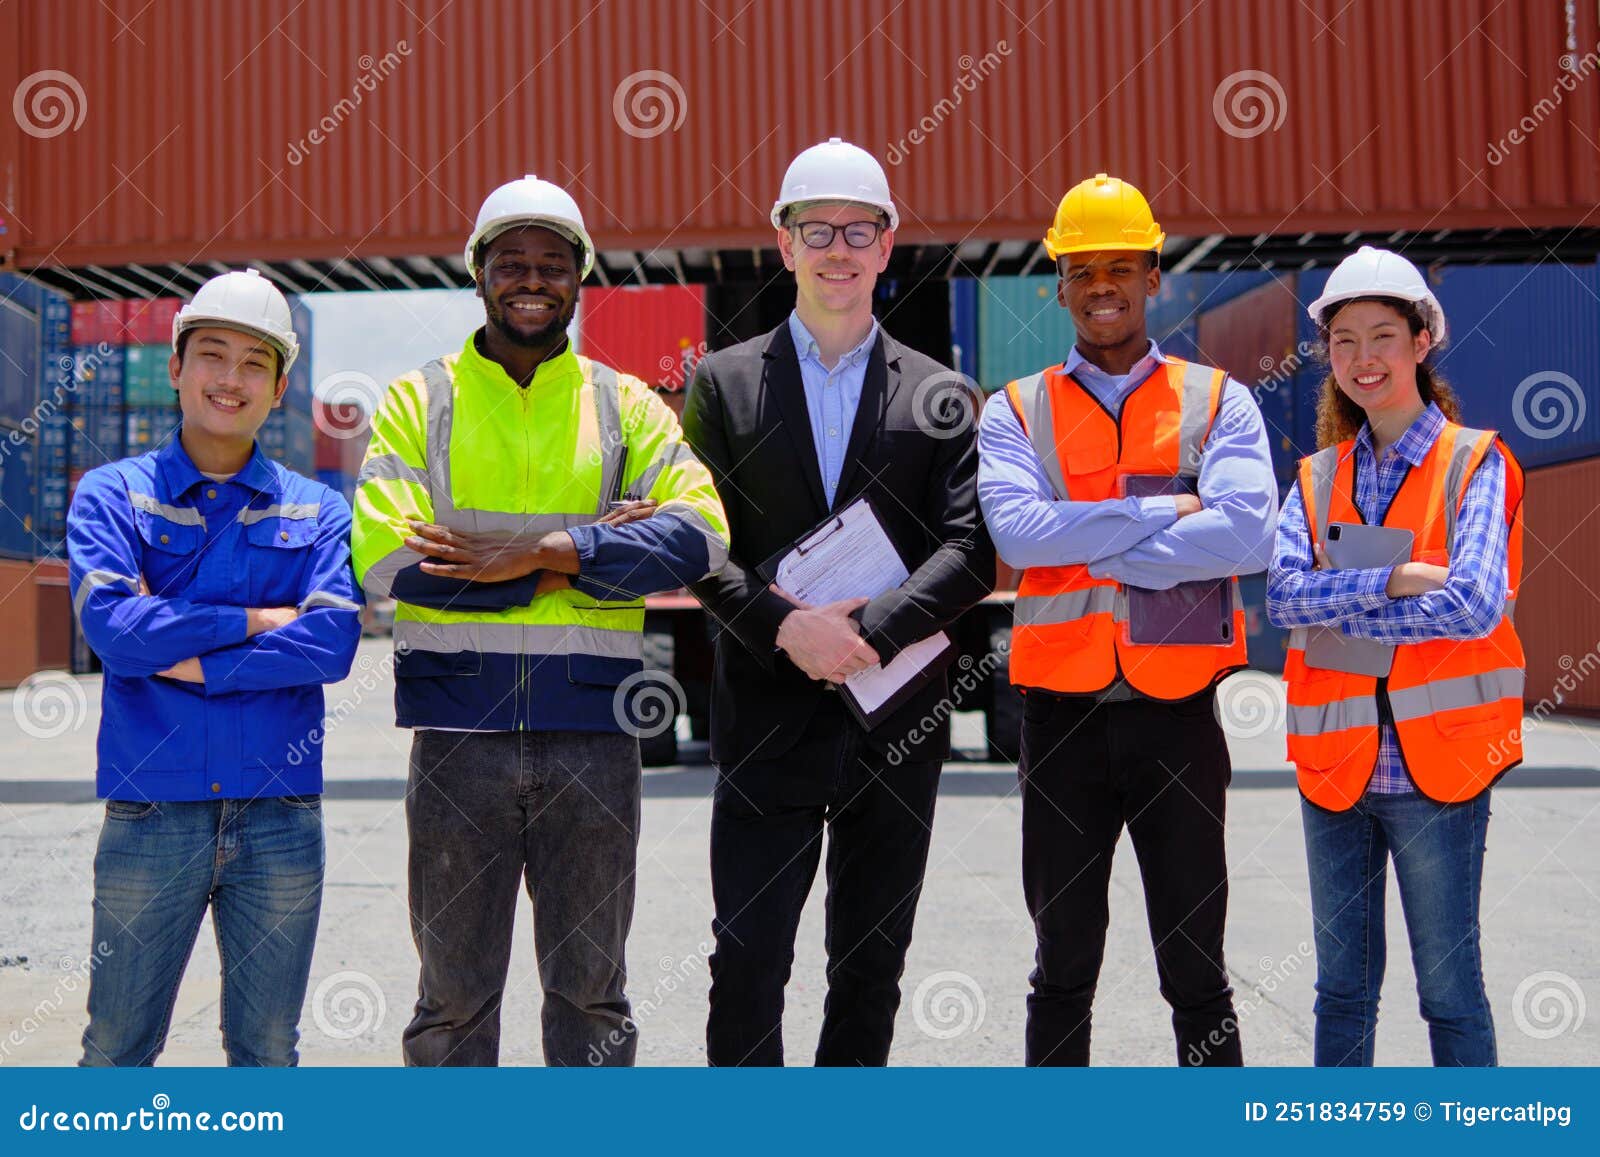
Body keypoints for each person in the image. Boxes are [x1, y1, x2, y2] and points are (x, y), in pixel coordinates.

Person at [351, 175, 729, 1067]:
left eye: (552, 265)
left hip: (594, 738)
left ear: (579, 277)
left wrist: (535, 550)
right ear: (479, 272)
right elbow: (390, 562)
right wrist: (598, 548)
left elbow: (701, 538)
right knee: (450, 1004)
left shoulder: (624, 403)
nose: (532, 279)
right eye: (511, 262)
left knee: (594, 999)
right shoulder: (418, 403)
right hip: (456, 741)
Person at [682, 137, 994, 1066]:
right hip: (766, 721)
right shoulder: (721, 383)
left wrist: (865, 632)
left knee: (870, 965)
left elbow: (973, 549)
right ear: (784, 243)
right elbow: (697, 545)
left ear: (888, 242)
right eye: (817, 229)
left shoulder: (942, 395)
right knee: (746, 958)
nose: (839, 248)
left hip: (895, 719)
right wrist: (789, 630)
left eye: (859, 229)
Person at [976, 174, 1279, 1066]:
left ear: (1155, 275)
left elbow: (1248, 534)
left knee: (1196, 968)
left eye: (1121, 265)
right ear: (1058, 283)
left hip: (1178, 714)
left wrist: (1087, 535)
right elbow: (1018, 536)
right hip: (1060, 721)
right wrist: (1167, 513)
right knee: (1061, 965)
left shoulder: (1216, 399)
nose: (1101, 283)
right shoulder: (1016, 409)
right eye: (1082, 268)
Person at [69, 269, 362, 1065]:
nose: (230, 379)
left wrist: (190, 660)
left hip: (279, 816)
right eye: (212, 355)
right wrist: (255, 621)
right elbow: (115, 632)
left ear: (278, 388)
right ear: (175, 366)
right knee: (117, 1047)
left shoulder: (319, 507)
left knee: (268, 1050)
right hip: (149, 814)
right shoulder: (111, 495)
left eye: (254, 364)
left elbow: (332, 643)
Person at [1267, 246, 1522, 1067]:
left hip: (1437, 771)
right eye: (1344, 341)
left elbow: (1475, 602)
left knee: (1449, 993)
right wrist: (1398, 578)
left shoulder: (1474, 463)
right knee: (1341, 991)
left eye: (1382, 336)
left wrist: (1343, 598)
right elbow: (1281, 599)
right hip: (1335, 767)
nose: (1363, 359)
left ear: (1422, 342)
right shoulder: (1313, 476)